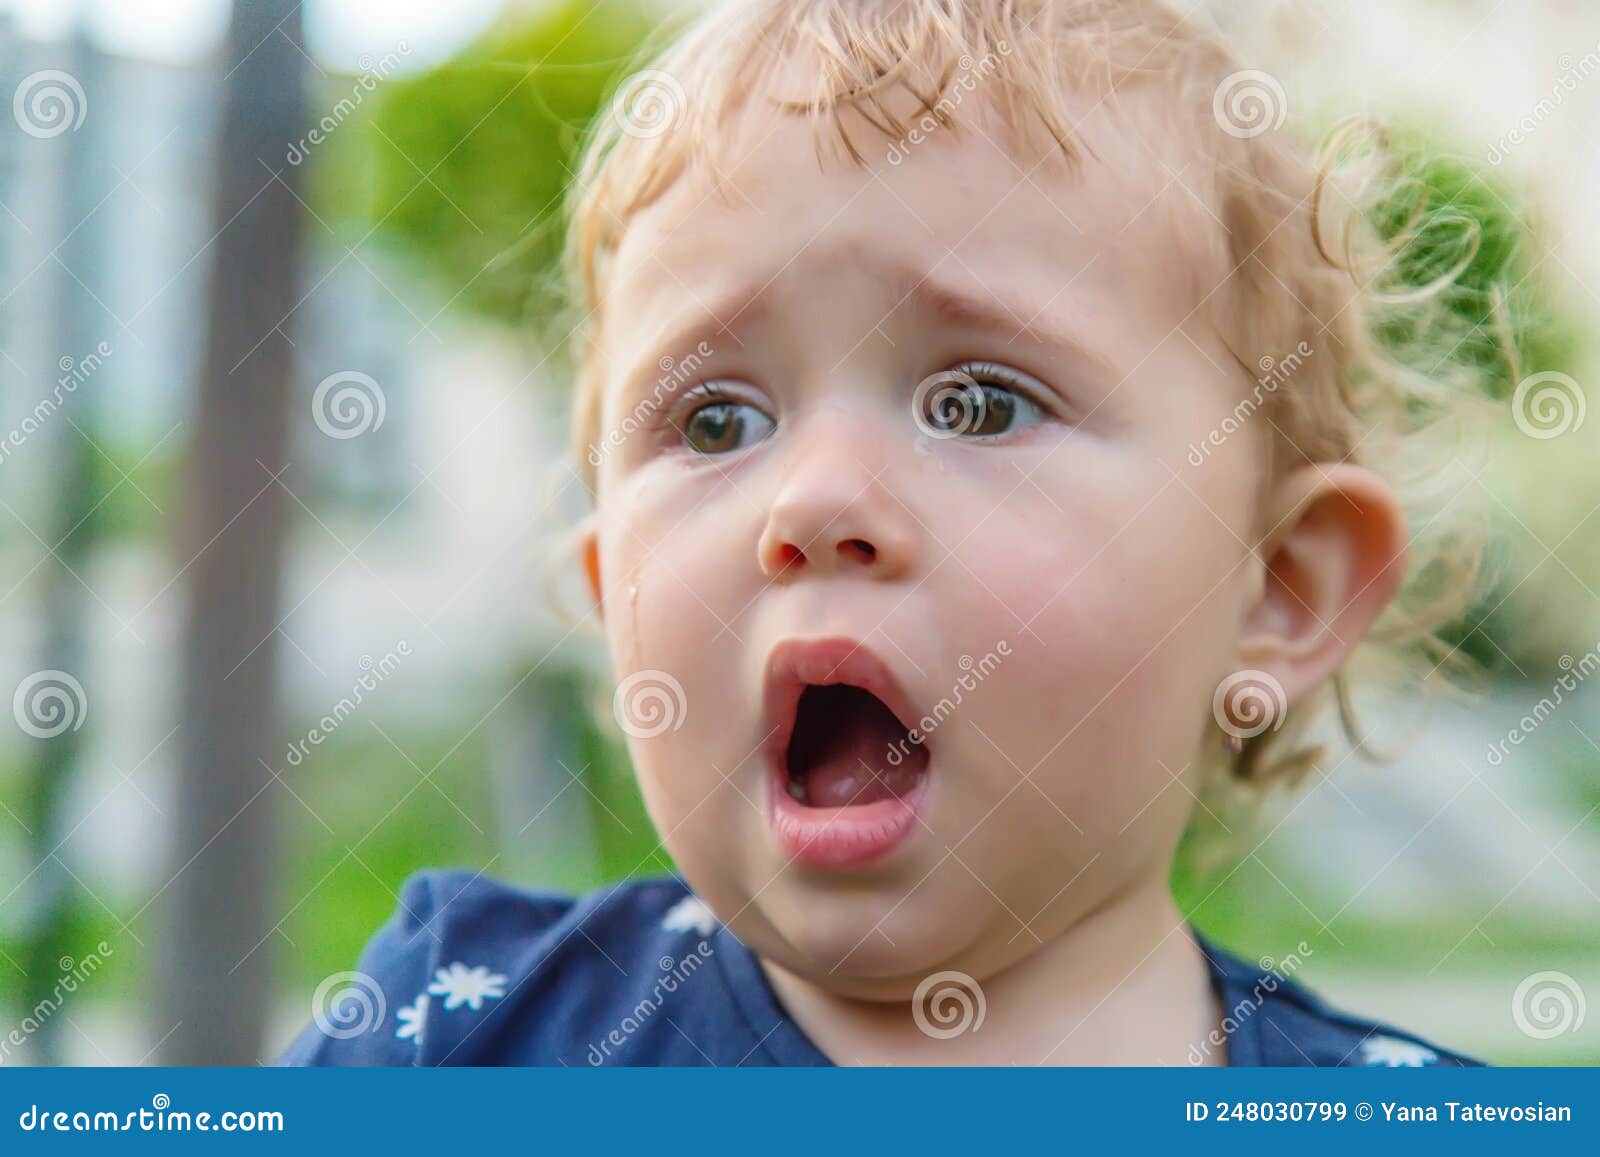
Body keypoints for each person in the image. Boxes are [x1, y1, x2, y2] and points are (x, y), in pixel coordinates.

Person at [282, 0, 1495, 1067]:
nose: (810, 504)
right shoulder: (460, 1039)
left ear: (1276, 585)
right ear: (612, 591)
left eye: (977, 404)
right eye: (714, 421)